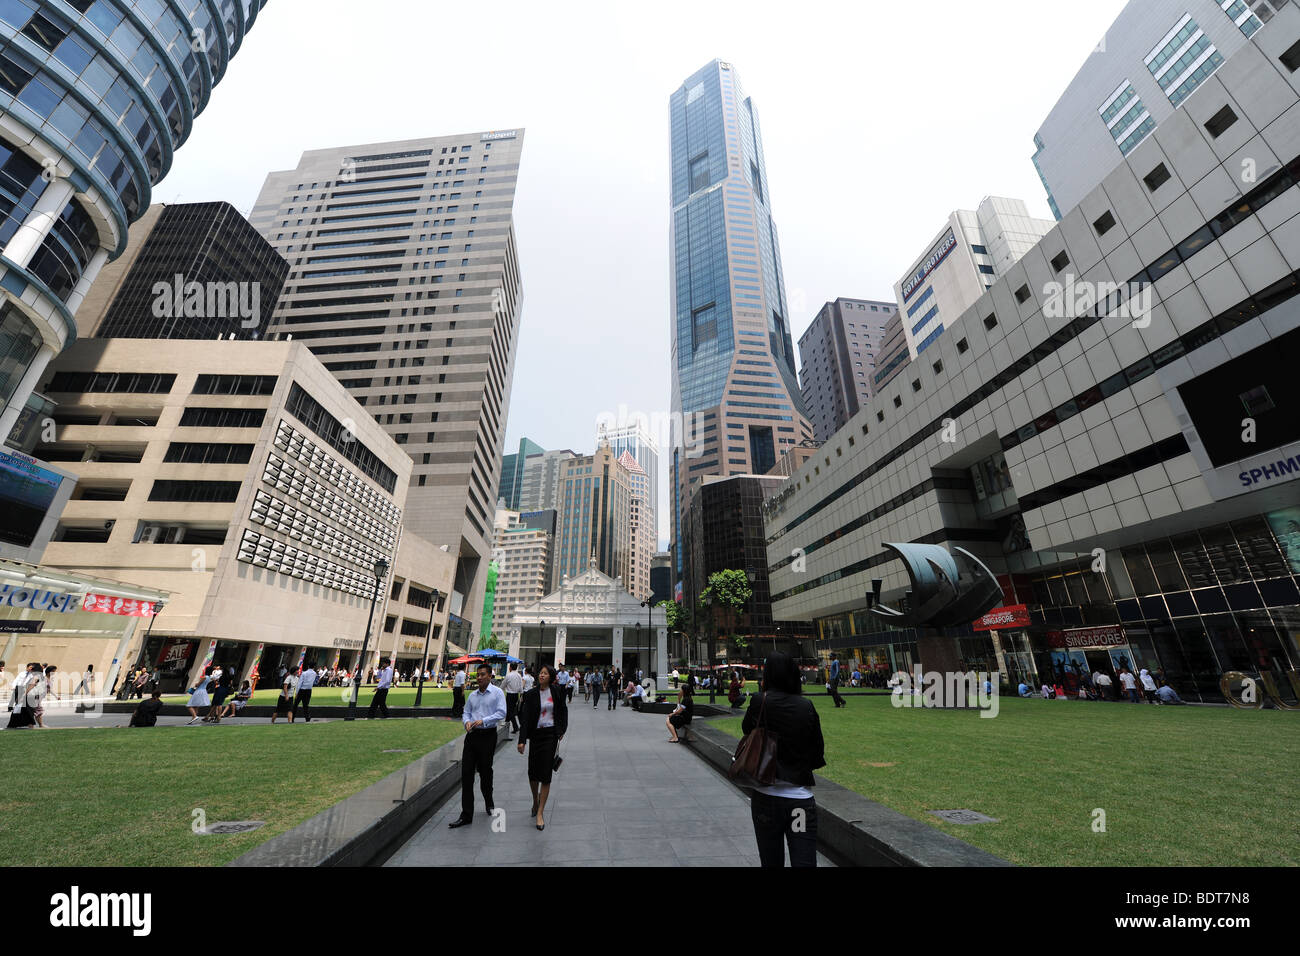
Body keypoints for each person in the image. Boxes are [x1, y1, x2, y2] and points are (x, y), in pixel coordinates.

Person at [742, 653, 826, 868]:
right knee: (804, 860)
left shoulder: (760, 701)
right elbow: (817, 753)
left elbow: (747, 730)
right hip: (799, 800)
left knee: (771, 861)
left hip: (766, 799)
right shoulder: (805, 706)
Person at [449, 663, 506, 829]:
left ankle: (489, 800)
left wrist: (484, 720)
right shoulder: (473, 695)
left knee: (485, 771)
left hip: (488, 736)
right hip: (472, 736)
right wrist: (466, 722)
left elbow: (502, 713)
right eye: (478, 675)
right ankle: (466, 814)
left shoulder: (497, 693)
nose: (479, 677)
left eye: (482, 675)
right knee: (466, 774)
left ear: (490, 676)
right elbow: (466, 712)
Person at [517, 663, 568, 830]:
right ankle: (535, 800)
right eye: (541, 673)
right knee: (533, 773)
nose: (542, 675)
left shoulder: (557, 691)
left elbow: (562, 710)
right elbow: (525, 718)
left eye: (545, 673)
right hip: (536, 735)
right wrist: (522, 740)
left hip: (550, 735)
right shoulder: (531, 694)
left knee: (546, 774)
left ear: (551, 676)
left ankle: (540, 812)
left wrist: (561, 730)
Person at [502, 661, 523, 735]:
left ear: (510, 667)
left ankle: (515, 727)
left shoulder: (509, 675)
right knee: (510, 711)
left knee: (510, 712)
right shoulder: (519, 675)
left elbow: (503, 685)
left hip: (510, 695)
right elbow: (521, 686)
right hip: (516, 695)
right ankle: (506, 725)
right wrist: (521, 695)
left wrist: (502, 689)